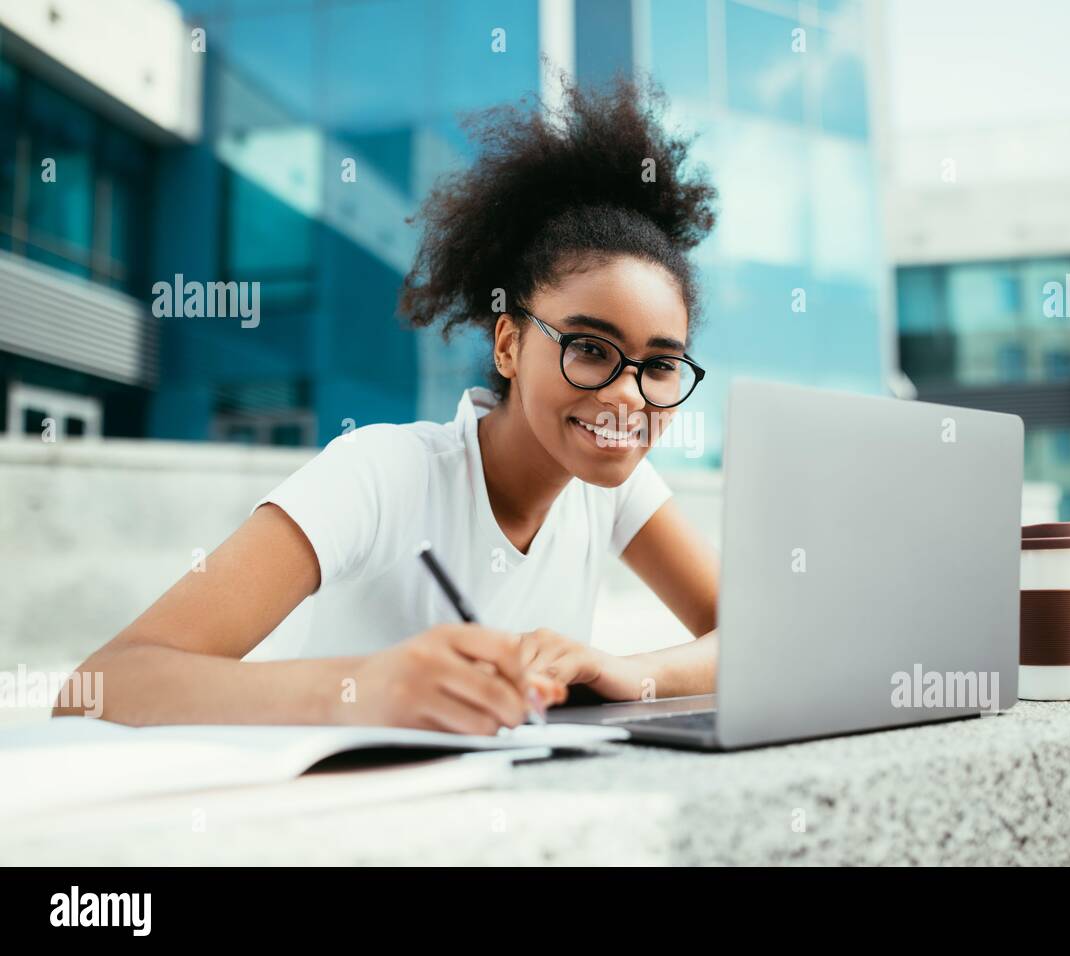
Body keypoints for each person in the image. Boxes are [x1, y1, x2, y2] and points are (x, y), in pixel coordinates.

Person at [58, 76, 721, 733]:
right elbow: (98, 687)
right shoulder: (381, 473)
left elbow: (757, 635)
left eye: (659, 365)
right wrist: (363, 689)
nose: (627, 397)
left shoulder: (613, 480)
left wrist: (629, 675)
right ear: (511, 345)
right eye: (590, 349)